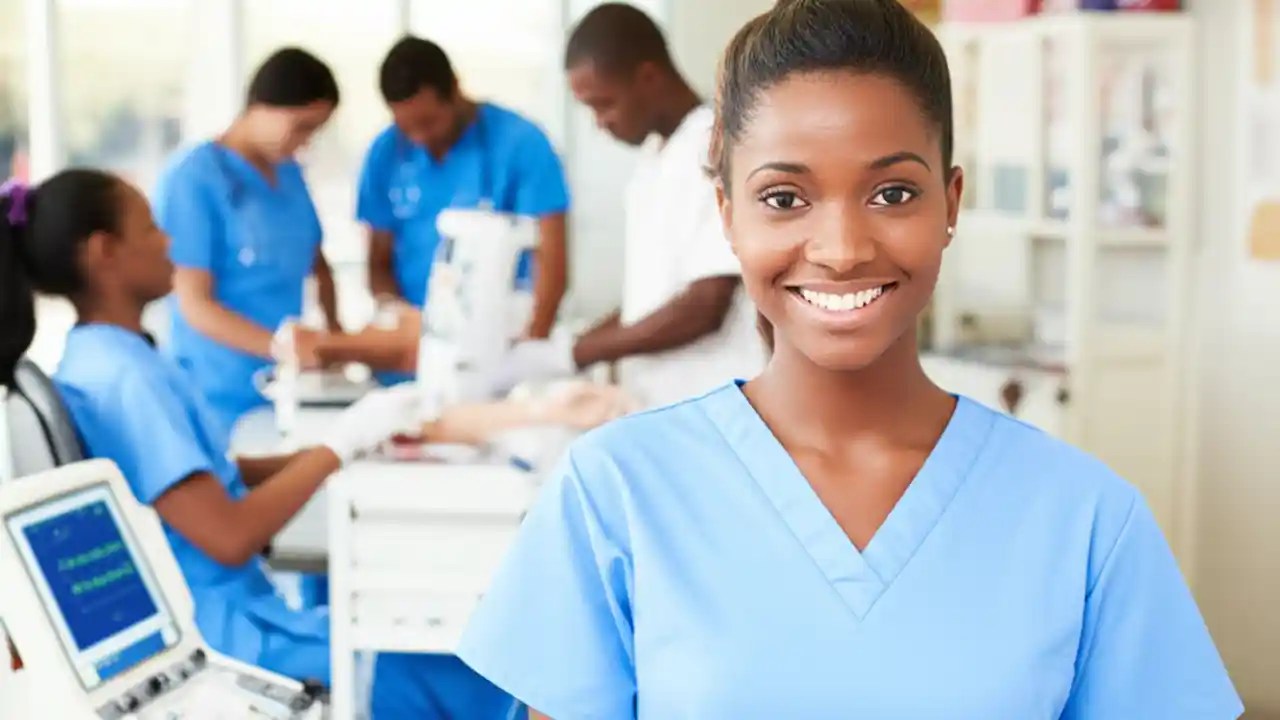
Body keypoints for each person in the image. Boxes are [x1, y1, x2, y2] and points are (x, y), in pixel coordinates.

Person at [454, 2, 1244, 718]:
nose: (840, 250)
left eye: (893, 193)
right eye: (785, 198)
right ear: (726, 214)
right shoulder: (615, 494)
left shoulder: (1087, 522)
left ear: (951, 203)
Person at [0, 170, 626, 717]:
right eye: (151, 229)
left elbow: (206, 478)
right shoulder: (123, 379)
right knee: (492, 672)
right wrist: (338, 448)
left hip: (241, 611)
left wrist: (345, 443)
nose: (170, 242)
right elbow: (229, 532)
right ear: (104, 252)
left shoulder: (112, 358)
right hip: (227, 632)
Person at [493, 3, 763, 410]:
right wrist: (566, 345)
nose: (599, 123)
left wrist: (575, 354)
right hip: (664, 403)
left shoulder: (715, 144)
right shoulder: (654, 159)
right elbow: (648, 305)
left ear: (648, 77)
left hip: (718, 399)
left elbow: (705, 305)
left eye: (604, 104)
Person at [156, 48, 342, 433]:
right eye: (301, 127)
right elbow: (194, 302)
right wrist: (278, 346)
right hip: (217, 394)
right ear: (262, 107)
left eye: (315, 132)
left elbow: (316, 260)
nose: (305, 143)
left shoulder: (289, 174)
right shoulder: (194, 178)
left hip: (286, 390)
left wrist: (336, 338)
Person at [358, 36, 570, 352]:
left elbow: (552, 264)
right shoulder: (385, 152)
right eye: (406, 127)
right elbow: (378, 262)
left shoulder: (522, 145)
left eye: (428, 123)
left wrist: (529, 352)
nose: (418, 137)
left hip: (501, 347)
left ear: (456, 89)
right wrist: (398, 317)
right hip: (413, 353)